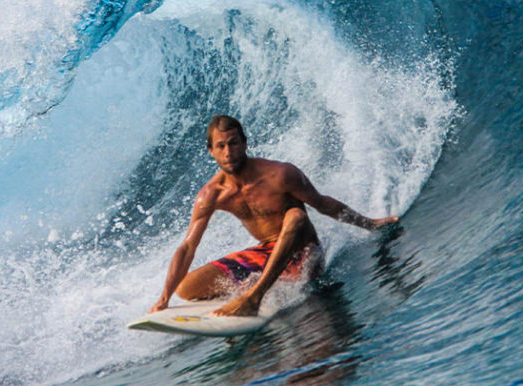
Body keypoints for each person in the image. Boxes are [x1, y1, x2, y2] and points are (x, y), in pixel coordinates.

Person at [149, 114, 399, 317]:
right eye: (221, 146)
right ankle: (254, 285)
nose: (228, 152)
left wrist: (370, 224)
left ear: (244, 143)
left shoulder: (280, 175)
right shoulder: (211, 195)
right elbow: (188, 246)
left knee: (296, 217)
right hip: (264, 253)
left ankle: (253, 297)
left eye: (233, 143)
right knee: (187, 288)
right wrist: (164, 298)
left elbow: (322, 204)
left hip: (302, 253)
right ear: (211, 151)